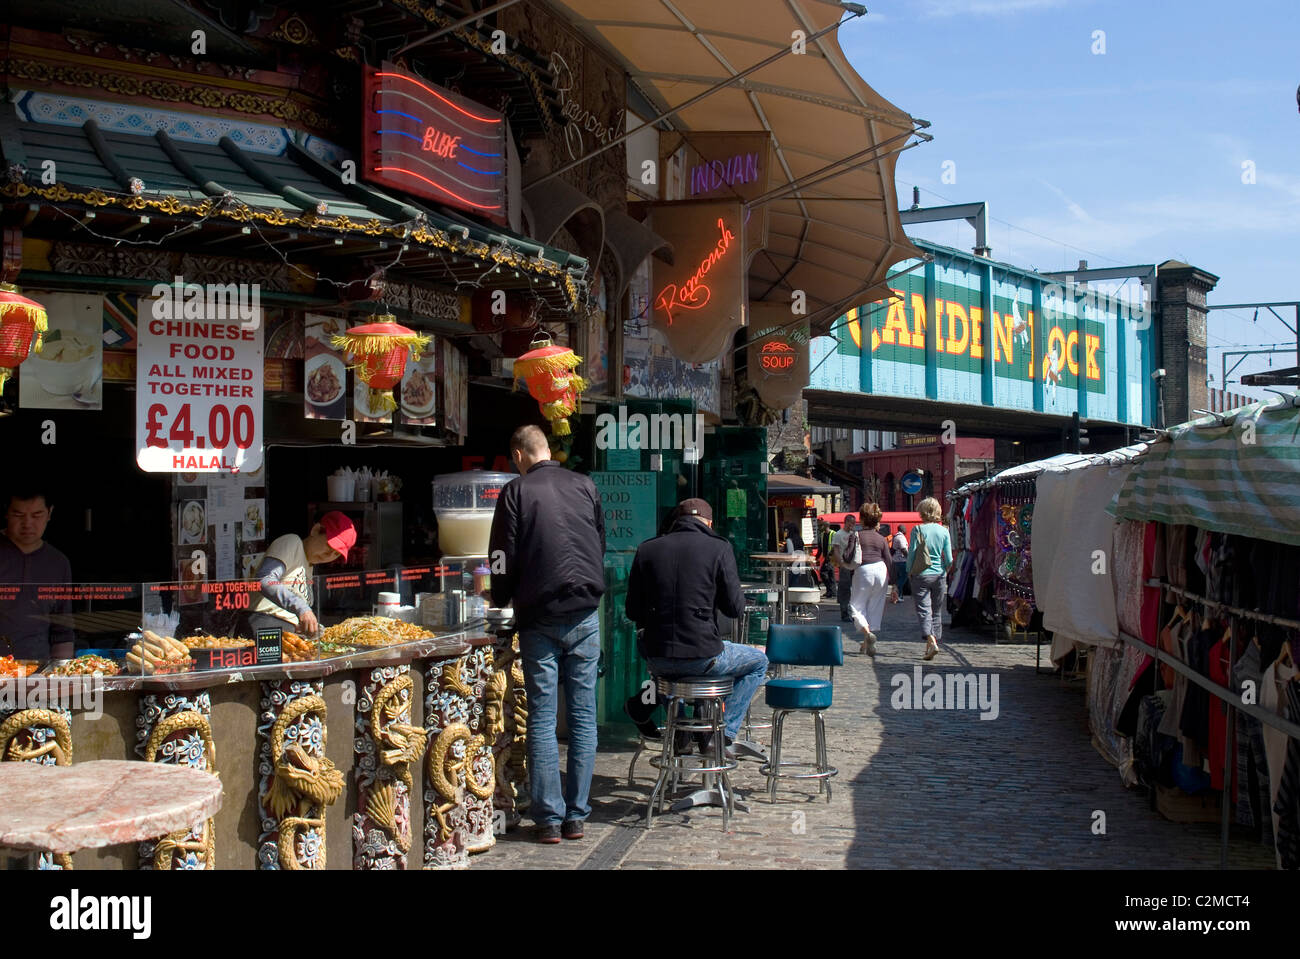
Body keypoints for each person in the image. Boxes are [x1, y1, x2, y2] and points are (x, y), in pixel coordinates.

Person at [489, 424, 606, 844]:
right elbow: (599, 542)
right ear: (547, 450)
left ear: (519, 455)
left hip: (539, 615)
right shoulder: (585, 485)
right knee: (582, 714)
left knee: (541, 716)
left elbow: (501, 554)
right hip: (585, 612)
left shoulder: (516, 493)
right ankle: (576, 816)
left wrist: (499, 597)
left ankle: (549, 821)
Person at [625, 498, 768, 759]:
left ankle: (679, 731)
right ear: (709, 523)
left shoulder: (648, 549)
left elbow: (632, 611)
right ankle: (722, 733)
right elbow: (735, 609)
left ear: (677, 521)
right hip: (703, 656)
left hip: (657, 657)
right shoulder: (718, 548)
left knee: (671, 669)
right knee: (759, 661)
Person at [250, 512, 357, 637]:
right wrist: (302, 608)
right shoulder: (292, 542)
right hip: (262, 625)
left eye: (336, 554)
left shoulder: (309, 567)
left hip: (285, 633)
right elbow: (264, 579)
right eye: (329, 546)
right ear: (316, 530)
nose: (329, 556)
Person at [0, 488, 74, 660]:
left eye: (36, 515)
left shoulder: (58, 562)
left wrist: (60, 679)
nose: (27, 523)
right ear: (7, 513)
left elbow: (62, 630)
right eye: (18, 515)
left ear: (49, 513)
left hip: (38, 673)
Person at [908, 497, 954, 661]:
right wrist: (946, 571)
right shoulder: (944, 531)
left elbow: (912, 553)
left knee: (923, 609)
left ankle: (931, 640)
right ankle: (931, 646)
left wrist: (909, 571)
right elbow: (949, 558)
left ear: (923, 512)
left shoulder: (918, 529)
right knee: (936, 611)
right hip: (939, 575)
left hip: (921, 574)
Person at [847, 503, 894, 656]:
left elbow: (848, 556)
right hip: (881, 570)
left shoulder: (856, 535)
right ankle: (866, 644)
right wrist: (894, 584)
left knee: (856, 606)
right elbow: (889, 560)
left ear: (862, 519)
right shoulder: (881, 538)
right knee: (874, 607)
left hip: (863, 570)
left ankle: (867, 634)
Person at [830, 513, 859, 622]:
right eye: (851, 523)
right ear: (845, 522)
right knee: (845, 589)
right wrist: (841, 562)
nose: (852, 525)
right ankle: (844, 612)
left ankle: (854, 612)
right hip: (845, 565)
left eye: (854, 523)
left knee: (855, 590)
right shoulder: (839, 534)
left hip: (854, 565)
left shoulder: (854, 534)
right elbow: (836, 550)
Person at [782, 521, 810, 588]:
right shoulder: (800, 539)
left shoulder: (789, 540)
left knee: (790, 584)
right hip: (801, 563)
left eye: (787, 530)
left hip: (793, 564)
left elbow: (790, 553)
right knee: (797, 583)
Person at [891, 524, 911, 602]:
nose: (906, 530)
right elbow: (903, 549)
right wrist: (909, 558)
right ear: (902, 529)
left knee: (899, 577)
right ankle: (896, 591)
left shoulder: (895, 537)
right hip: (901, 561)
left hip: (896, 560)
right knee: (903, 577)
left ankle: (899, 596)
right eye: (905, 528)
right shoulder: (901, 537)